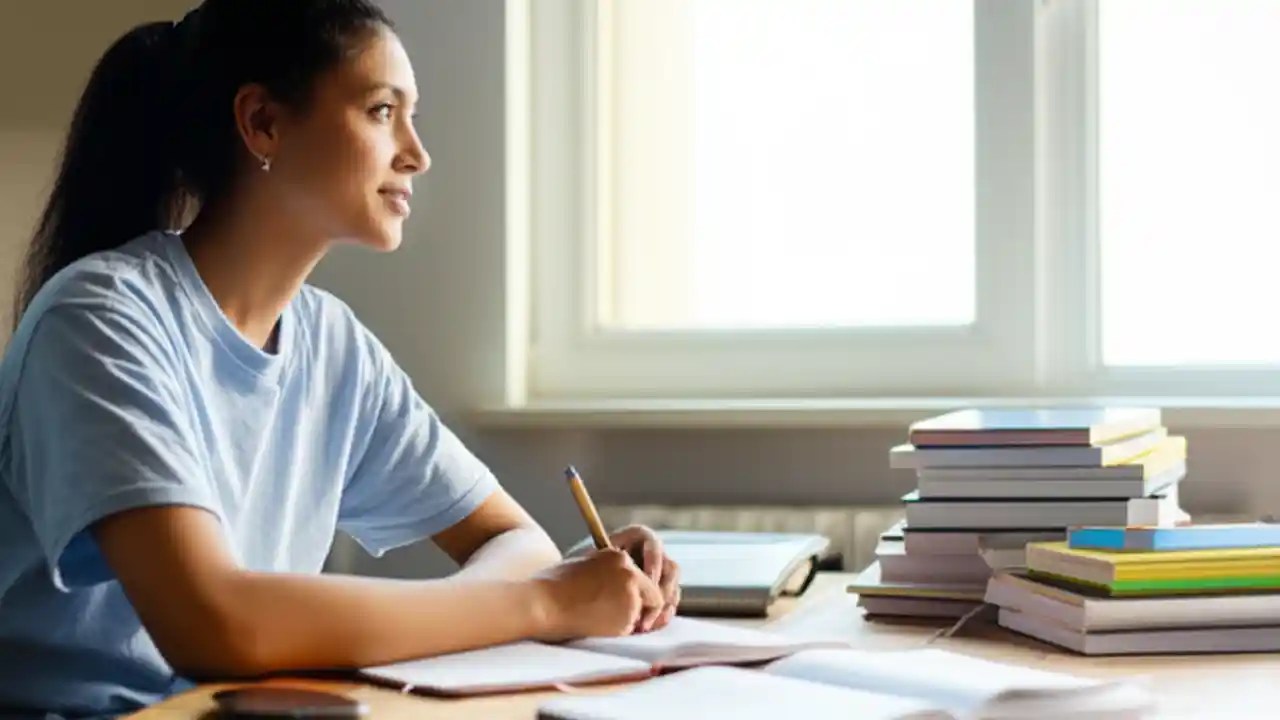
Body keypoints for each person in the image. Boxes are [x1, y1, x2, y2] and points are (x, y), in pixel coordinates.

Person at [0, 1, 679, 716]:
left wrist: (549, 590)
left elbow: (518, 542)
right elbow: (215, 624)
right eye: (383, 111)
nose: (416, 153)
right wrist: (539, 604)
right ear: (262, 122)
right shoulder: (101, 319)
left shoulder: (333, 345)